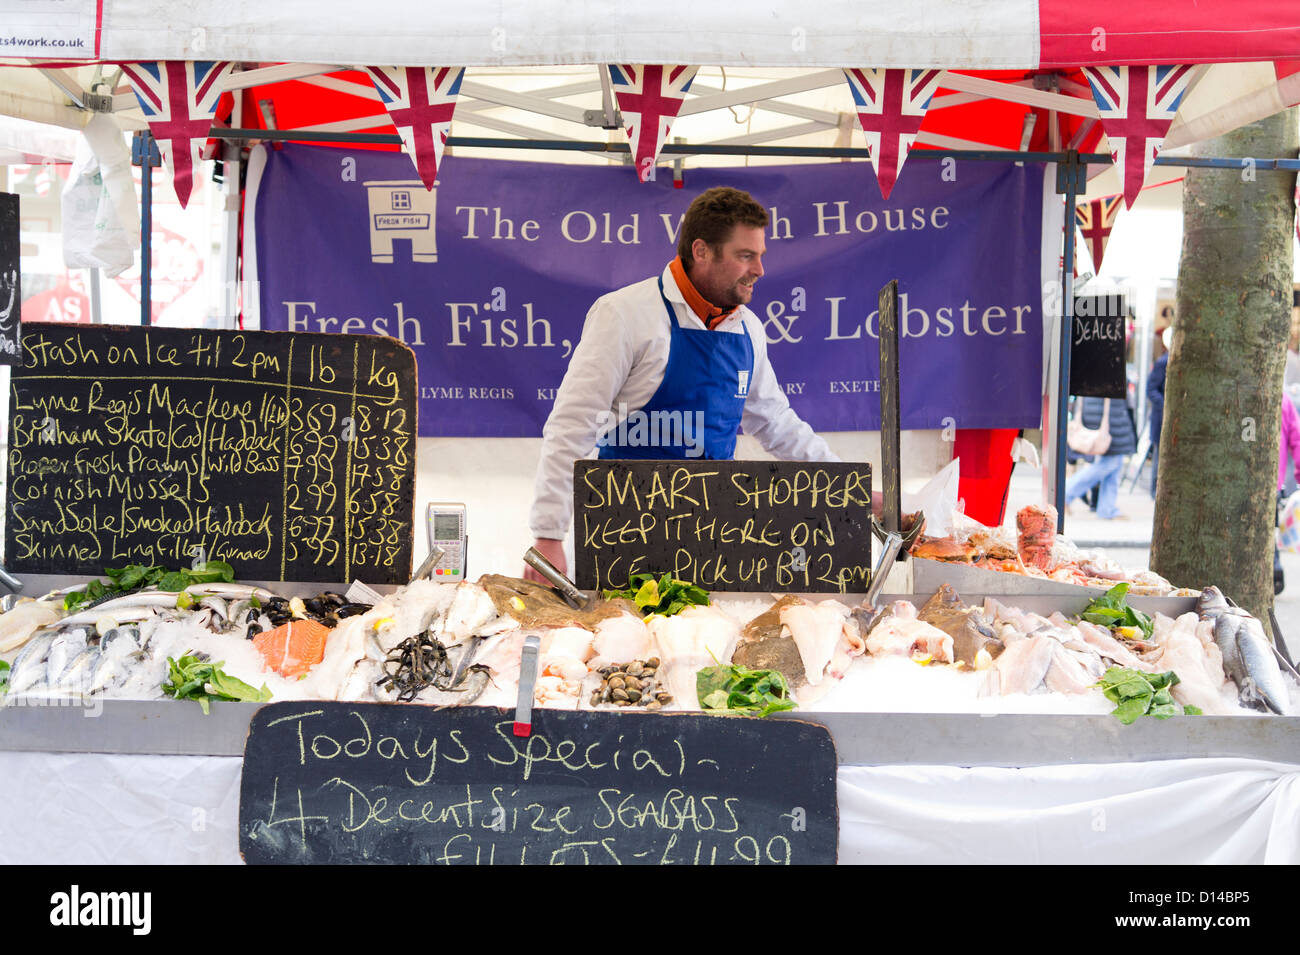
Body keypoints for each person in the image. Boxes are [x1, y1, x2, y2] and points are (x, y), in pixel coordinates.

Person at [526, 187, 839, 579]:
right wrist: (548, 535)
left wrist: (851, 488)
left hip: (719, 535)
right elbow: (572, 425)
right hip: (625, 534)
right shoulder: (625, 315)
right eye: (746, 255)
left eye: (760, 256)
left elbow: (777, 423)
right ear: (702, 251)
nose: (759, 269)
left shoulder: (749, 329)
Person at [1063, 395, 1137, 520]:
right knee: (1109, 464)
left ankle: (1107, 508)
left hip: (1106, 413)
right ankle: (1065, 494)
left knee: (1115, 464)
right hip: (1108, 416)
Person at [1275, 396, 1300, 594]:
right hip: (1273, 480)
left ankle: (1274, 566)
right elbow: (1297, 439)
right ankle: (1274, 566)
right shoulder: (1284, 400)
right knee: (1266, 528)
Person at [1145, 327, 1170, 498]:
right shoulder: (1163, 362)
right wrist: (1165, 405)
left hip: (1166, 417)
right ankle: (1155, 490)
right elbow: (1151, 389)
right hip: (1161, 417)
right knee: (1159, 454)